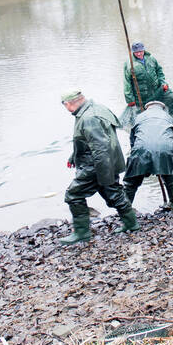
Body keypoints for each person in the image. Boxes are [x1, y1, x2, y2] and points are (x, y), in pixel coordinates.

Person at [58, 90, 138, 245]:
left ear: (69, 104)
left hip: (96, 165)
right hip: (110, 161)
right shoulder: (96, 108)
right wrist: (74, 156)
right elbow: (85, 140)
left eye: (65, 105)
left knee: (73, 195)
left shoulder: (89, 118)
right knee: (113, 193)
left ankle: (82, 233)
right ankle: (131, 223)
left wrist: (104, 175)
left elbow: (100, 148)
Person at [122, 101, 173, 211]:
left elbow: (132, 140)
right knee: (169, 175)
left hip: (141, 149)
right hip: (165, 149)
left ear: (147, 108)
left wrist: (137, 154)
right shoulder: (168, 117)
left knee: (131, 182)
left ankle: (125, 210)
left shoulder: (140, 117)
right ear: (162, 108)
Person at [121, 42, 173, 126]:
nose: (139, 53)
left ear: (144, 50)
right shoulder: (129, 64)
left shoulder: (151, 58)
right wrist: (130, 99)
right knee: (141, 116)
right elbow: (127, 83)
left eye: (140, 51)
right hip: (141, 97)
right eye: (136, 52)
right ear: (133, 52)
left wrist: (163, 83)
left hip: (157, 91)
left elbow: (159, 71)